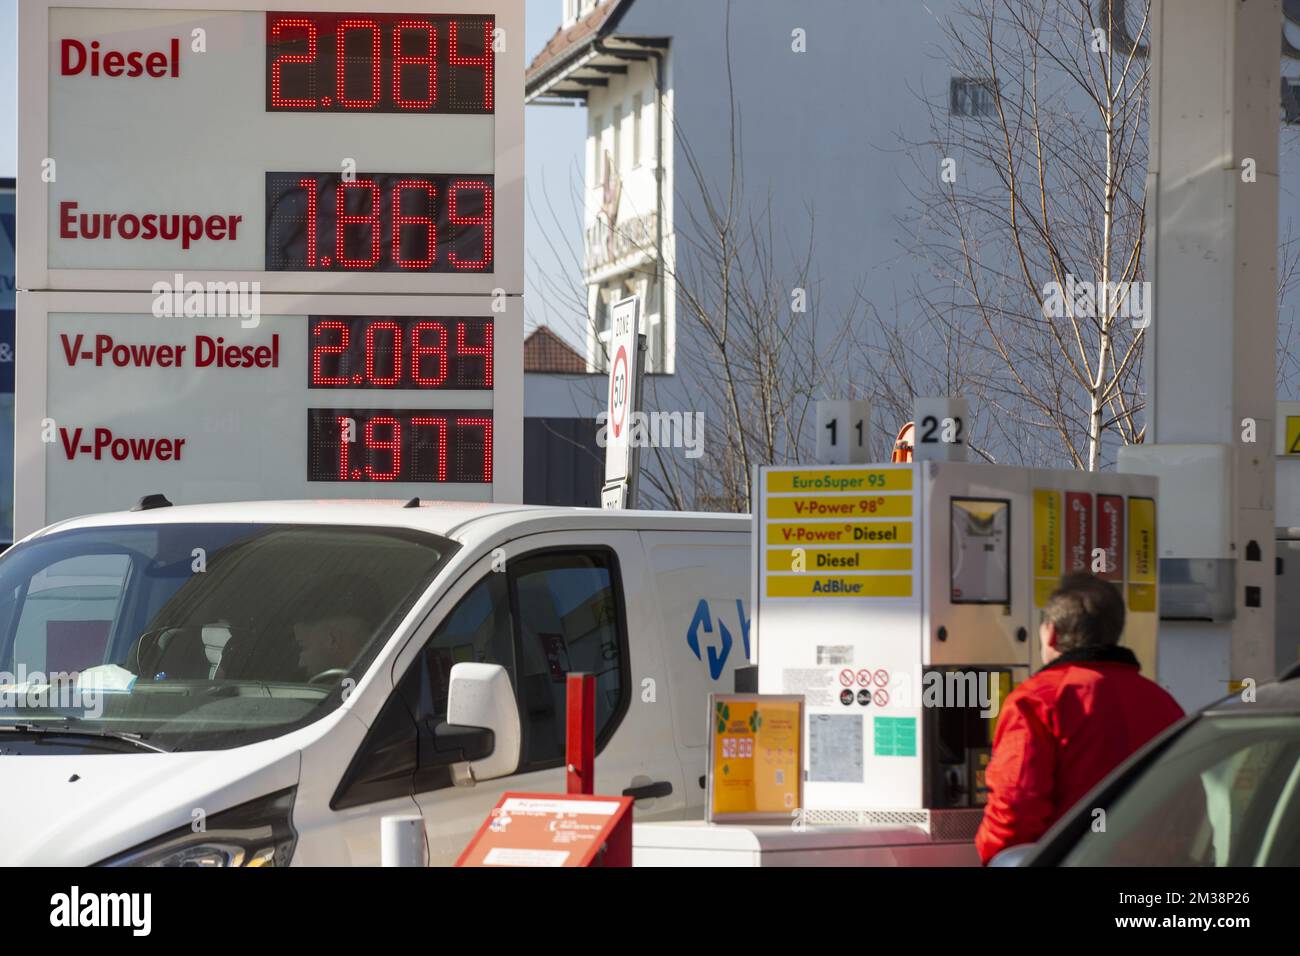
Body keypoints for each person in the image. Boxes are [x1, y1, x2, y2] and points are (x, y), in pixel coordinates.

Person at [975, 573, 1184, 864]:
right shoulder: (1164, 704)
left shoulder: (1036, 702)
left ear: (1050, 634)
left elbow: (1016, 808)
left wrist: (996, 858)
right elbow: (1186, 803)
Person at [292, 575, 385, 680]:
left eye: (304, 647)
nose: (301, 663)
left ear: (332, 640)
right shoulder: (388, 676)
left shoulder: (356, 693)